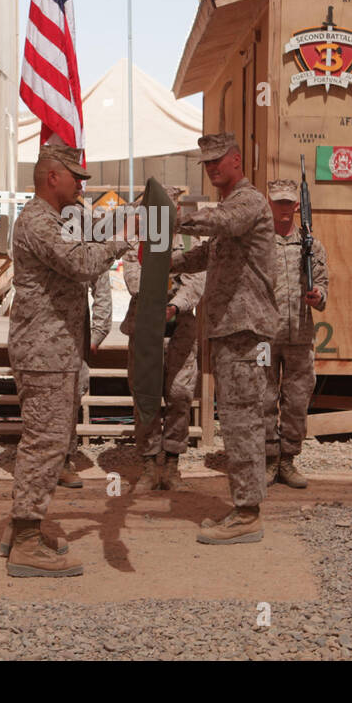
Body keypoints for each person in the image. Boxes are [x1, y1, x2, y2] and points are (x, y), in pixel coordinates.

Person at [5, 143, 132, 577]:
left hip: (53, 349)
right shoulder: (40, 222)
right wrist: (123, 240)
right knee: (46, 444)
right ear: (51, 177)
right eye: (75, 176)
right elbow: (80, 264)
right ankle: (24, 542)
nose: (82, 184)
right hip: (46, 352)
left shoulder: (52, 219)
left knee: (44, 440)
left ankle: (24, 528)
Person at [171, 132, 278, 544]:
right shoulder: (232, 208)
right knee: (237, 417)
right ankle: (245, 506)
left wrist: (174, 218)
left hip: (244, 330)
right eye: (207, 164)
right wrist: (166, 261)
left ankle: (247, 513)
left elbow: (222, 223)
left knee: (243, 420)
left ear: (236, 159)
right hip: (231, 329)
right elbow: (207, 254)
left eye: (218, 161)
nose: (213, 168)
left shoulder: (247, 203)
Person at [121, 185, 204, 492]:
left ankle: (171, 464)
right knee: (146, 397)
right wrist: (153, 299)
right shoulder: (137, 241)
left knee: (180, 396)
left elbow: (196, 282)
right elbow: (132, 278)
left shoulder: (189, 240)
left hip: (179, 328)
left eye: (171, 207)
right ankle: (147, 463)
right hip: (145, 328)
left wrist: (174, 305)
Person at [265, 179, 329, 488]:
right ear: (270, 203)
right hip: (265, 335)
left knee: (296, 401)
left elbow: (323, 283)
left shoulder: (311, 245)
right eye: (278, 202)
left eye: (288, 202)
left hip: (301, 335)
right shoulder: (260, 242)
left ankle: (287, 460)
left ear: (297, 205)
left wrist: (319, 296)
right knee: (263, 398)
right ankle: (267, 460)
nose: (283, 208)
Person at [60, 249, 112, 489]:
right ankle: (38, 463)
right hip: (40, 337)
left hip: (75, 337)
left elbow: (101, 289)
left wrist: (98, 332)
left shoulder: (87, 244)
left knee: (71, 400)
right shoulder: (40, 233)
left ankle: (64, 460)